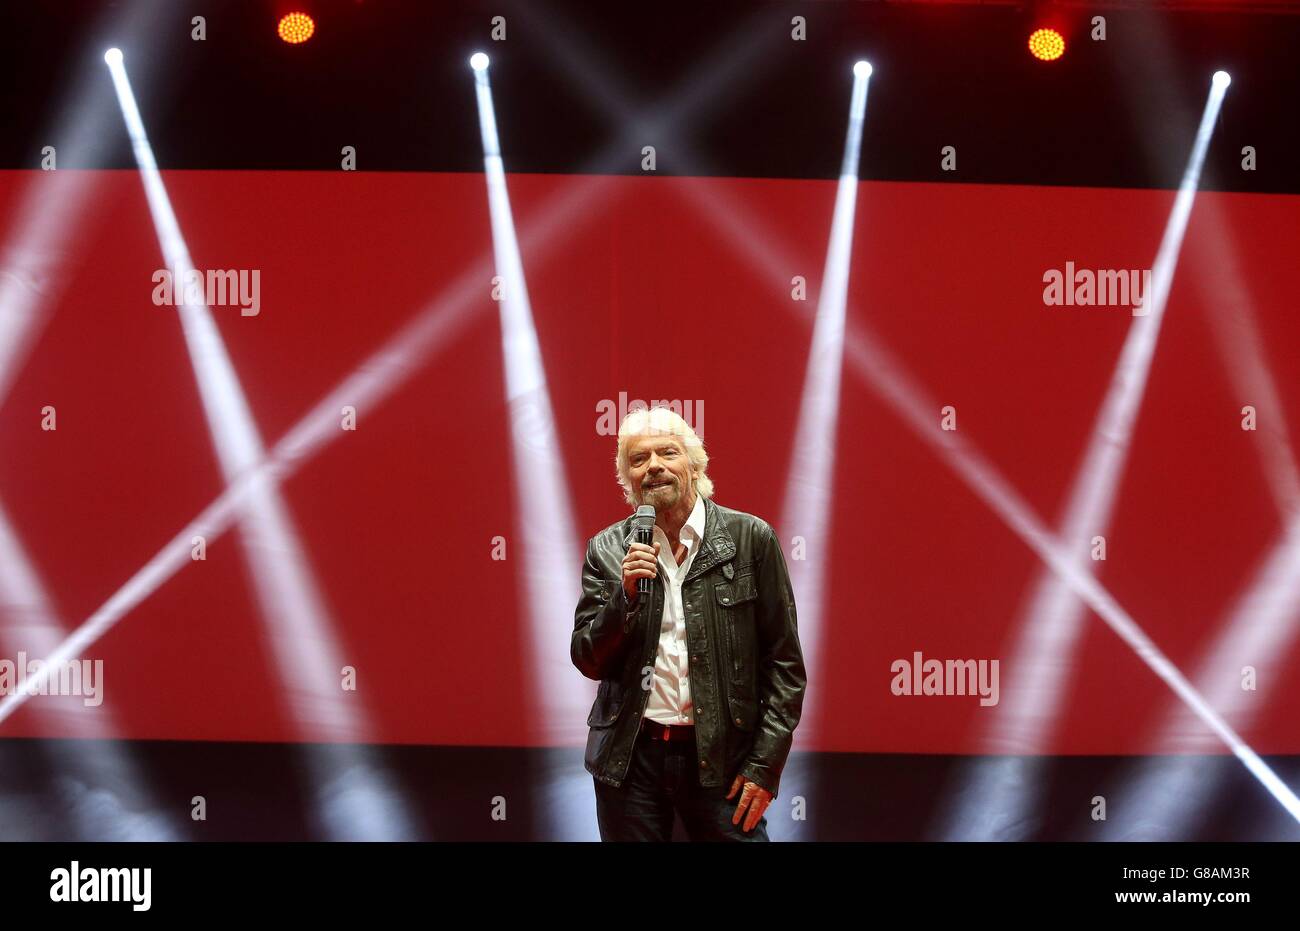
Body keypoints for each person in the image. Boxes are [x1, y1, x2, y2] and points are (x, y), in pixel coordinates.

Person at [571, 406, 806, 841]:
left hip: (724, 763)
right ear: (628, 479)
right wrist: (624, 597)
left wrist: (764, 766)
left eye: (667, 453)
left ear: (694, 465)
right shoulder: (607, 549)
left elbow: (785, 667)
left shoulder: (750, 539)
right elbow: (587, 658)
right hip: (630, 761)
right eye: (639, 460)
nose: (654, 466)